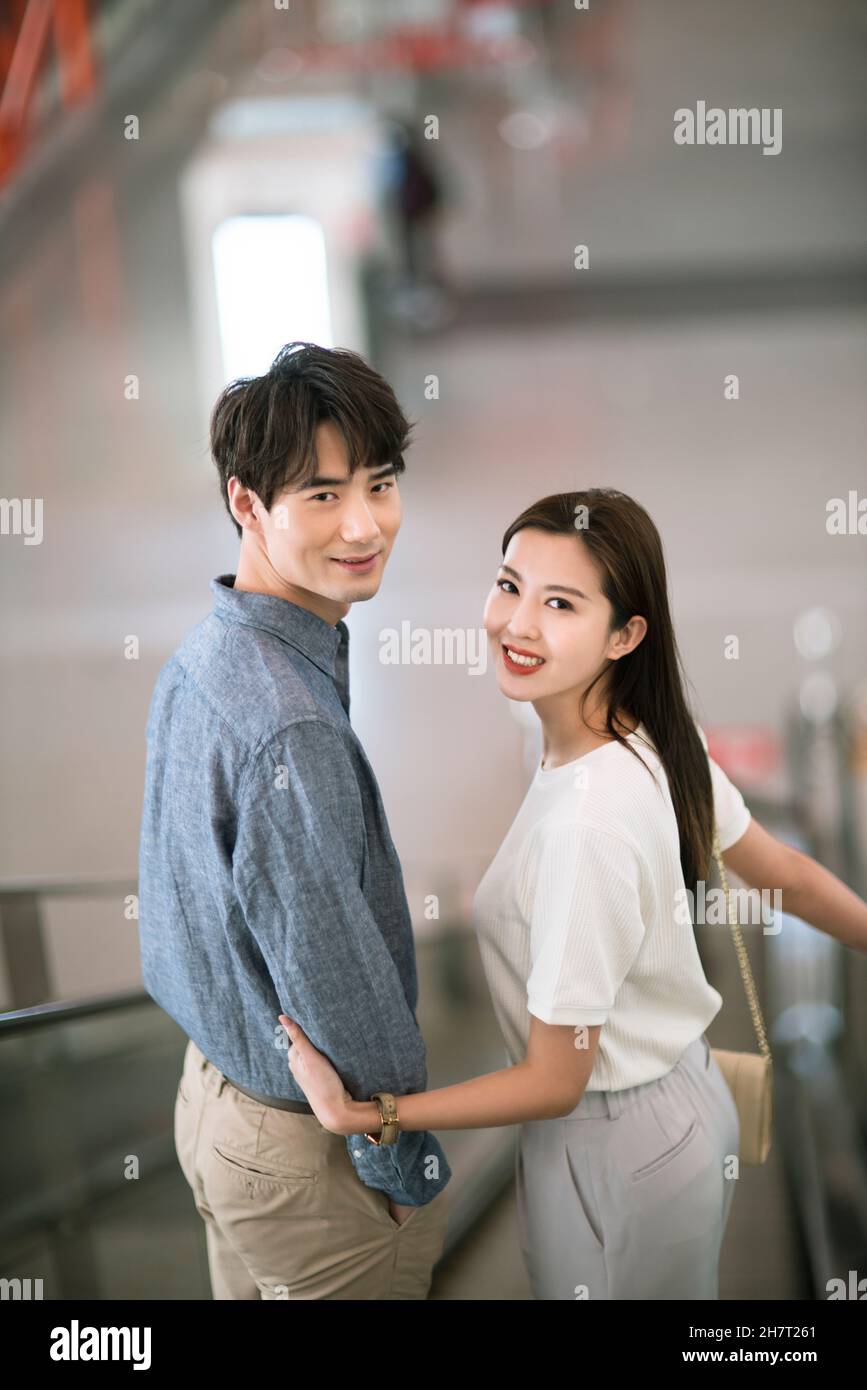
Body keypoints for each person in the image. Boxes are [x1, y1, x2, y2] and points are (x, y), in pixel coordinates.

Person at [284, 487, 867, 1300]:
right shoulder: (652, 736)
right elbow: (787, 875)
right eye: (509, 583)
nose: (516, 623)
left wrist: (371, 1116)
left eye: (559, 603)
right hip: (661, 1110)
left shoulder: (587, 823)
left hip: (616, 1135)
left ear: (625, 635)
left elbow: (556, 1077)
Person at [137, 341, 452, 1300]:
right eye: (321, 495)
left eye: (380, 483)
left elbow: (175, 923)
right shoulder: (291, 727)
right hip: (304, 1160)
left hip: (213, 1105)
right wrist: (406, 1168)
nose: (364, 524)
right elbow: (341, 986)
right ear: (246, 505)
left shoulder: (204, 656)